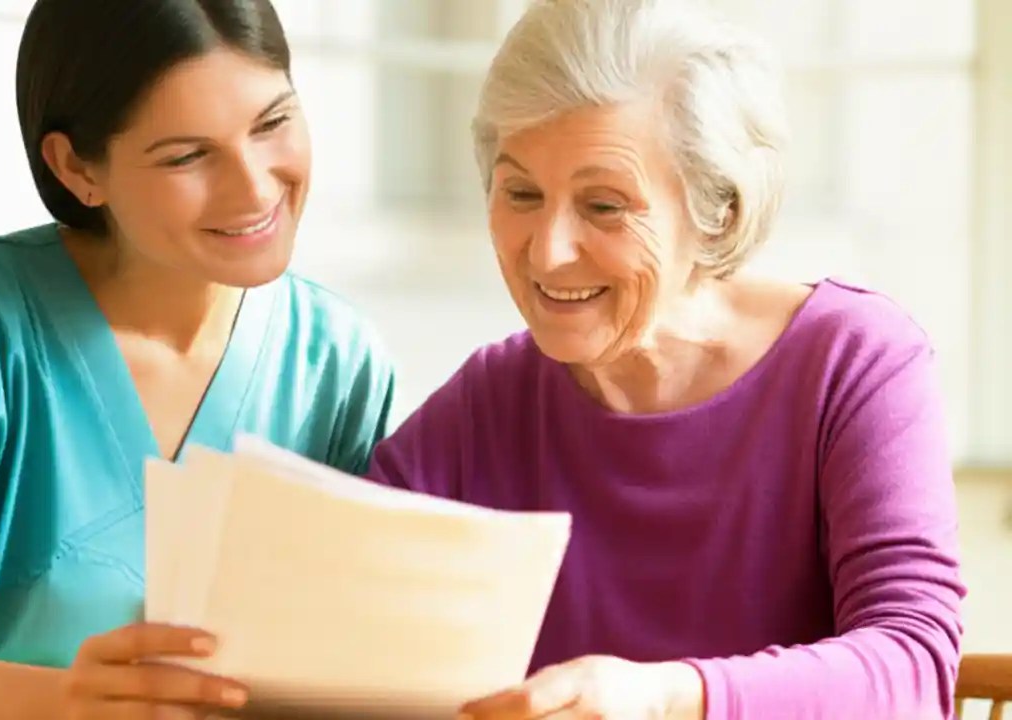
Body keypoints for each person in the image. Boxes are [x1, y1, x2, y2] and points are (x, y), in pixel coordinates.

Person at [366, 0, 966, 718]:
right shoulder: (484, 407)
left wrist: (666, 697)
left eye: (605, 206)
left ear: (716, 210)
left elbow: (913, 665)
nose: (549, 250)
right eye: (521, 193)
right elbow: (331, 620)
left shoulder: (853, 363)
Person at [0, 0, 394, 717]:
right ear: (78, 166)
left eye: (273, 123)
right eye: (188, 156)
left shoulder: (337, 362)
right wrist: (67, 704)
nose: (256, 187)